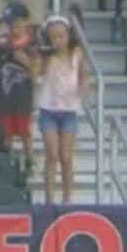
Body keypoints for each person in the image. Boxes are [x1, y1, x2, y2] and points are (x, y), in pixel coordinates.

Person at [37, 15, 88, 205]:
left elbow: (83, 75)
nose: (58, 40)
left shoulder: (77, 53)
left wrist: (83, 87)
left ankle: (68, 198)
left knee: (66, 156)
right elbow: (38, 73)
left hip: (69, 110)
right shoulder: (47, 57)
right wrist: (42, 58)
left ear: (68, 35)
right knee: (52, 154)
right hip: (49, 109)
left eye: (61, 36)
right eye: (53, 37)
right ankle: (49, 198)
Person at [0, 2, 39, 165]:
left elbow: (36, 71)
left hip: (23, 95)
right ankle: (6, 160)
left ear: (26, 23)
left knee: (24, 131)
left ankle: (29, 159)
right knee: (5, 131)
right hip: (4, 95)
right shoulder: (3, 43)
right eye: (10, 25)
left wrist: (25, 60)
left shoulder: (32, 45)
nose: (14, 29)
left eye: (17, 25)